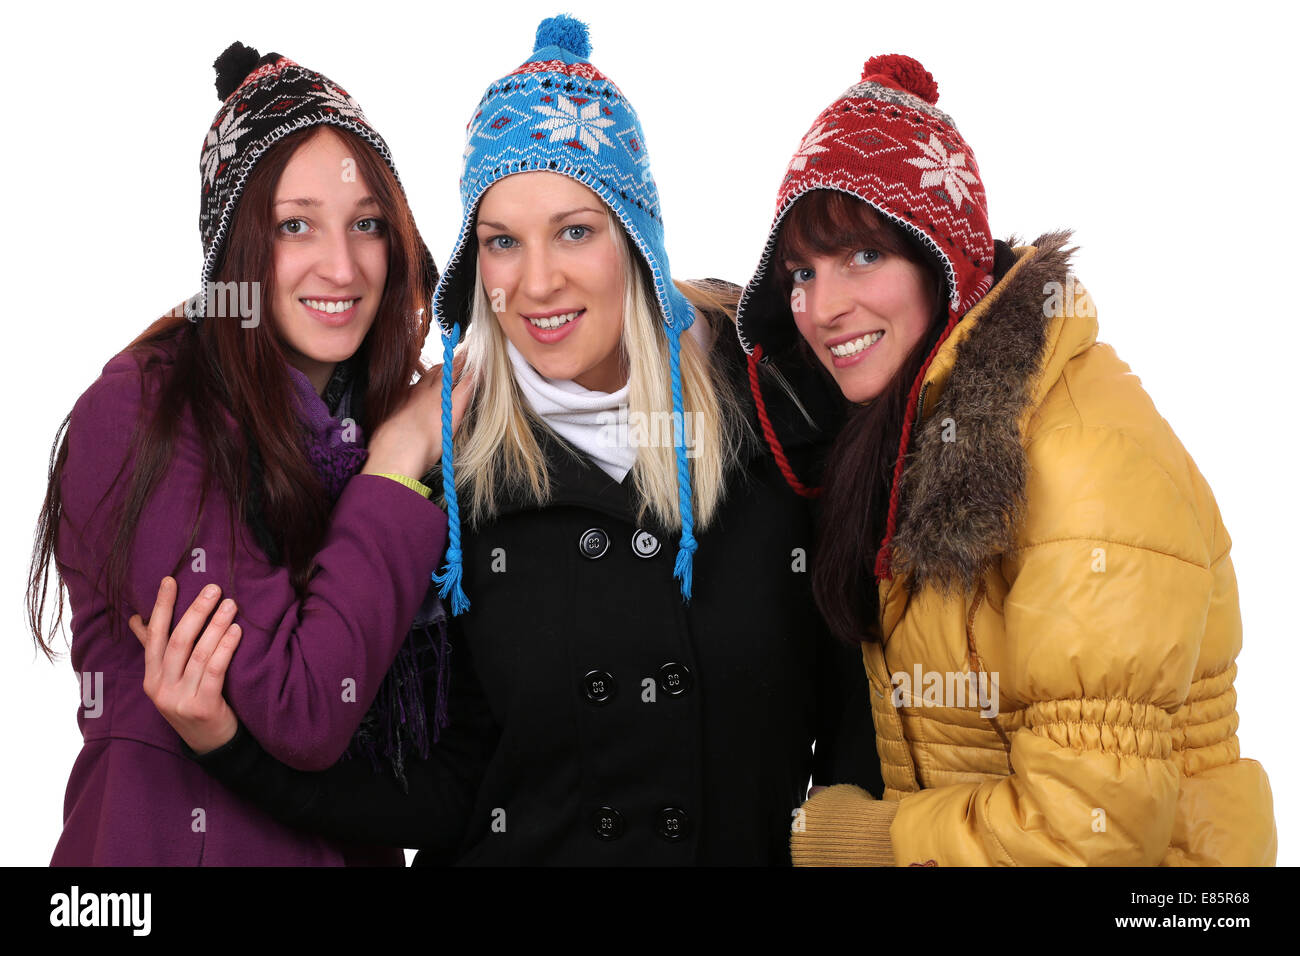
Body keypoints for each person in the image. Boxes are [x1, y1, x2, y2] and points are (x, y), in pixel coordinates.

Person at [130, 15, 880, 866]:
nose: (537, 283)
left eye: (574, 230)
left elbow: (860, 723)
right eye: (500, 243)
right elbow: (443, 789)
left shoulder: (780, 406)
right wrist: (230, 745)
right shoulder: (447, 467)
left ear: (635, 239)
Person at [733, 54, 1277, 865]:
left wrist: (869, 842)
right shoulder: (902, 434)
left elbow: (1088, 831)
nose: (824, 306)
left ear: (940, 264)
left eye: (863, 257)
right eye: (802, 274)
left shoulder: (1079, 459)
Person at [29, 42, 476, 865]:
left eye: (367, 224)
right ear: (234, 250)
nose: (341, 267)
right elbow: (302, 706)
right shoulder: (143, 412)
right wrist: (397, 459)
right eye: (293, 225)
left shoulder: (386, 419)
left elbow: (450, 781)